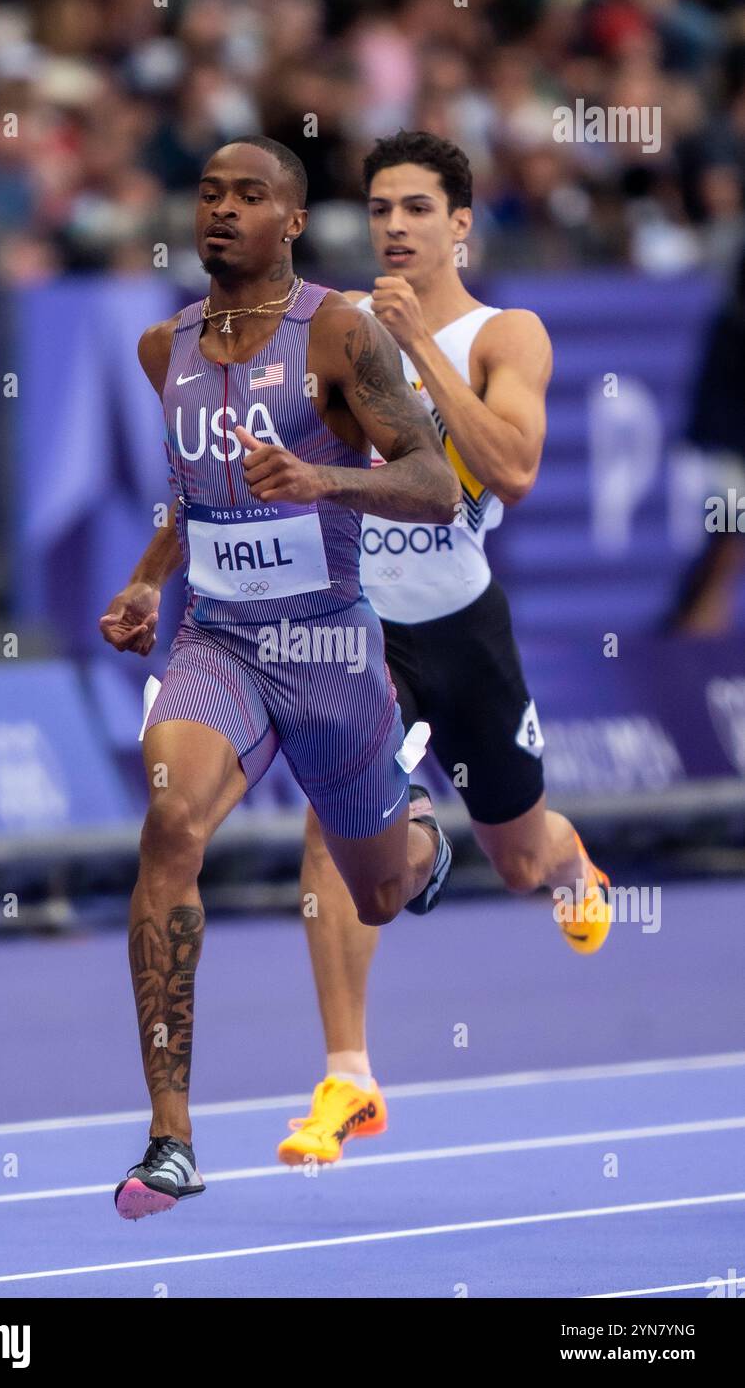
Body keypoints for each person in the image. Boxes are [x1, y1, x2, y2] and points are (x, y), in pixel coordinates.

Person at [99, 135, 460, 1221]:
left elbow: (435, 485)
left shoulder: (339, 332)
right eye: (208, 193)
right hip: (218, 644)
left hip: (330, 649)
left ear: (290, 222)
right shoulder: (163, 349)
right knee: (169, 827)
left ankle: (423, 837)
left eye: (249, 196)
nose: (221, 211)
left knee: (378, 890)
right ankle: (171, 1138)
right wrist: (147, 579)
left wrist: (320, 477)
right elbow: (191, 492)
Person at [276, 130, 613, 1169]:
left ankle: (566, 858)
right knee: (331, 826)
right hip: (361, 631)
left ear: (459, 224)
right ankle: (348, 1077)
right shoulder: (334, 330)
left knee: (517, 858)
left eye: (416, 208)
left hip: (463, 630)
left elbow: (510, 469)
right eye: (378, 208)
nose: (393, 226)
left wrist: (418, 346)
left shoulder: (504, 333)